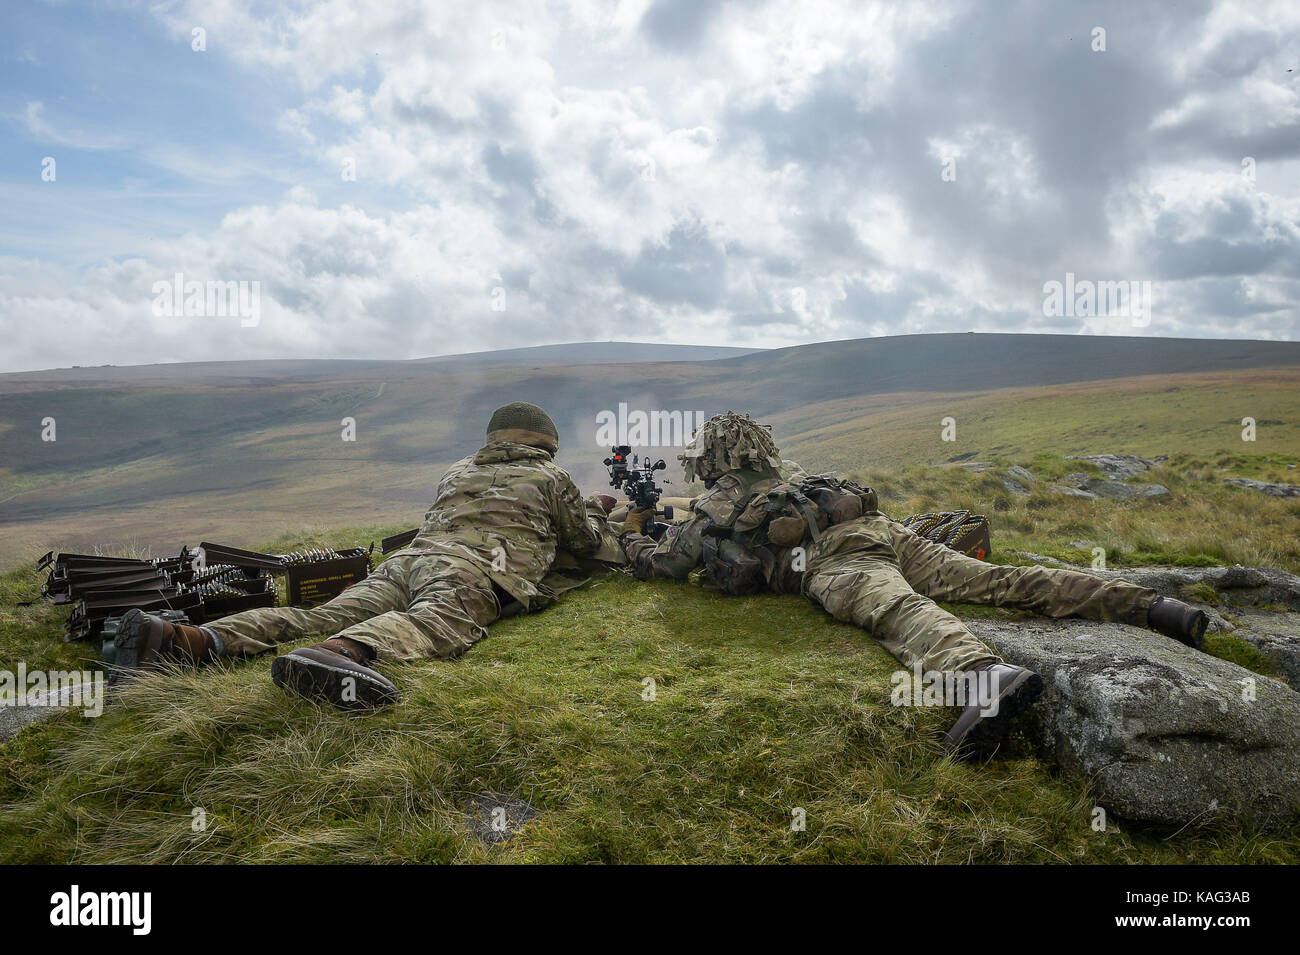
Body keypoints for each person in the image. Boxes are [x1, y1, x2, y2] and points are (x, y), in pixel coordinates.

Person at [619, 411, 1209, 758]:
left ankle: (982, 677)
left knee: (898, 610)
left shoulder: (718, 497)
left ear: (712, 455)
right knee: (998, 581)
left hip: (836, 559)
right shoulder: (793, 474)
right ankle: (1156, 609)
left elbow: (669, 567)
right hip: (888, 531)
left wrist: (632, 535)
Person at [114, 402, 609, 709]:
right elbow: (583, 543)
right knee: (433, 622)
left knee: (318, 614)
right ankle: (342, 655)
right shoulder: (552, 477)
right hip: (472, 572)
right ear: (547, 446)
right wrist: (597, 513)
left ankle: (186, 640)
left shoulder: (457, 469)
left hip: (408, 561)